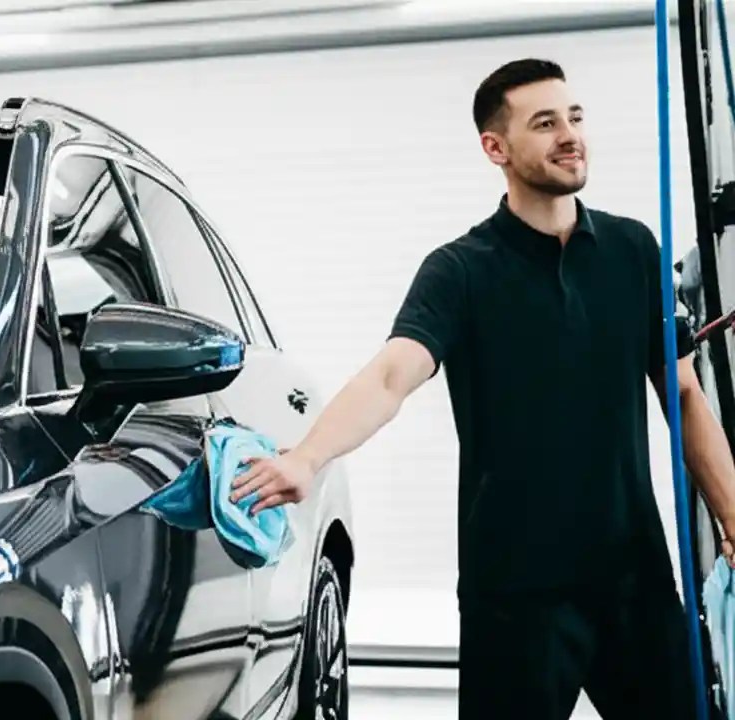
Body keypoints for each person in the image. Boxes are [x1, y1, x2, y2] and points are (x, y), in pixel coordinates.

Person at [230, 58, 735, 719]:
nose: (570, 135)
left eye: (575, 118)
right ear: (495, 147)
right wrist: (307, 456)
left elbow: (686, 397)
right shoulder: (460, 273)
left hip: (633, 582)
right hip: (515, 599)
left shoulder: (633, 251)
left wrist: (731, 511)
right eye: (545, 123)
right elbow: (390, 375)